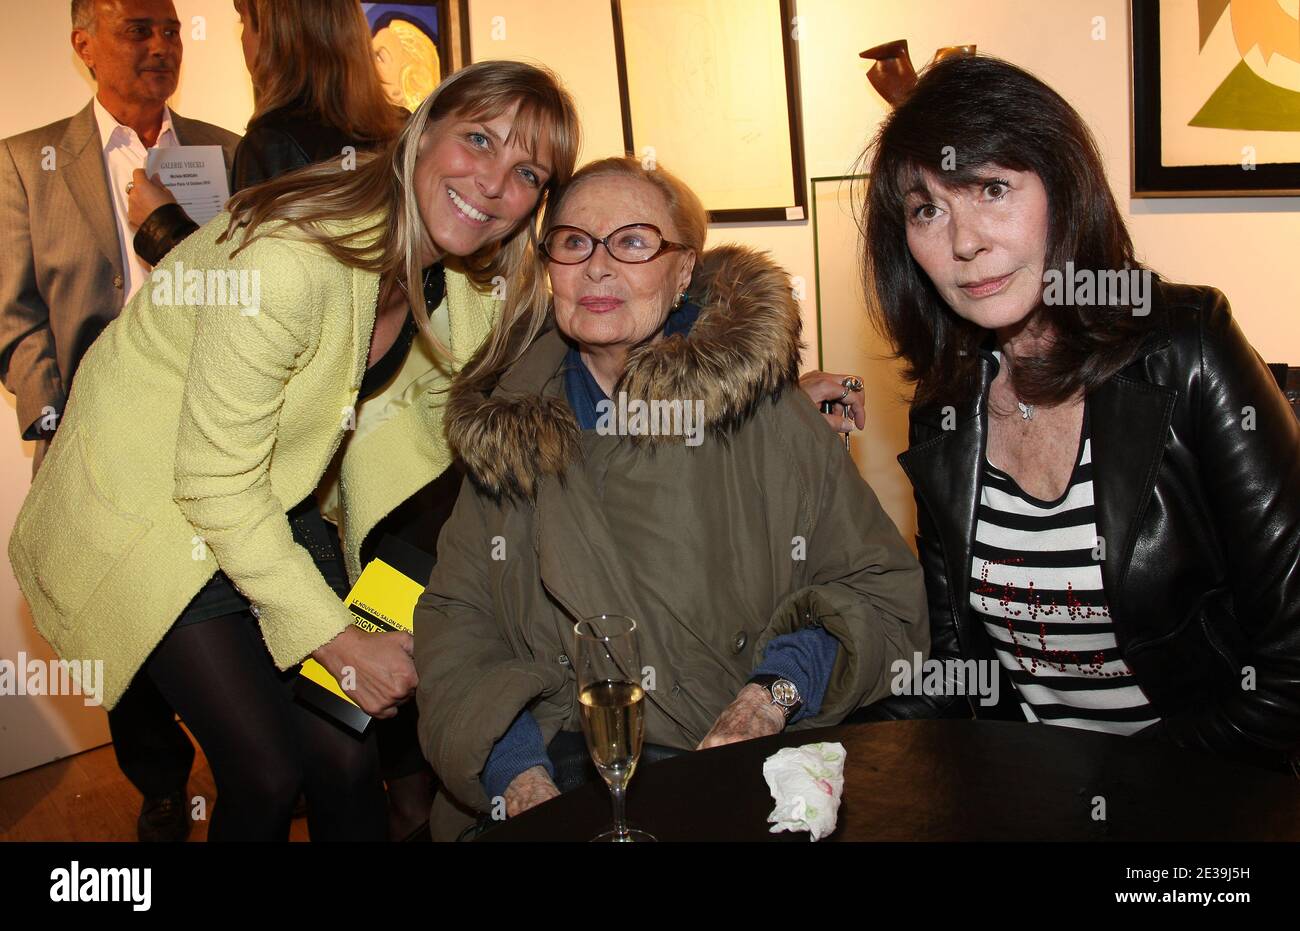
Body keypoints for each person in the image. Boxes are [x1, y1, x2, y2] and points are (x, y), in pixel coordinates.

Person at [8, 59, 580, 840]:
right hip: (153, 503)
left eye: (526, 172)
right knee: (267, 770)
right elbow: (211, 483)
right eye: (478, 138)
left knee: (342, 752)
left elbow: (571, 350)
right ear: (421, 132)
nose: (491, 182)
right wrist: (341, 640)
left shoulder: (469, 281)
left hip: (270, 490)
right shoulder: (293, 258)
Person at [414, 156, 928, 840]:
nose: (597, 267)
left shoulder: (765, 415)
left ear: (683, 270)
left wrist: (769, 695)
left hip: (726, 767)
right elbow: (457, 619)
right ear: (549, 268)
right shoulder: (510, 427)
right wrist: (520, 777)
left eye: (631, 242)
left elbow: (879, 591)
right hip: (549, 763)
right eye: (572, 242)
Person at [852, 55, 1300, 771]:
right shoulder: (947, 407)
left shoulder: (1187, 347)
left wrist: (1105, 787)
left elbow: (1291, 674)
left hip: (1214, 799)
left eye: (992, 188)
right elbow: (958, 673)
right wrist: (816, 737)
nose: (964, 241)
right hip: (1033, 795)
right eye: (927, 209)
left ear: (1063, 188)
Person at [124, 0, 435, 840]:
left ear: (274, 28)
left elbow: (263, 297)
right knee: (341, 747)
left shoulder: (272, 137)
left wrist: (158, 226)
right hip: (366, 492)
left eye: (243, 19)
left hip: (302, 485)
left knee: (305, 755)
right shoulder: (394, 132)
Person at [0, 0, 240, 842]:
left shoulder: (227, 152)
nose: (162, 44)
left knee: (230, 600)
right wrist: (56, 424)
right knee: (119, 620)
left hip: (215, 431)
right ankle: (161, 781)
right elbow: (13, 314)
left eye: (171, 29)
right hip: (95, 444)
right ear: (82, 44)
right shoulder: (27, 162)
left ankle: (254, 759)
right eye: (139, 27)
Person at [128, 0, 406, 265]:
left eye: (244, 23)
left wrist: (162, 226)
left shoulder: (271, 143)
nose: (242, 39)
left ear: (275, 36)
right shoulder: (402, 129)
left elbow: (248, 294)